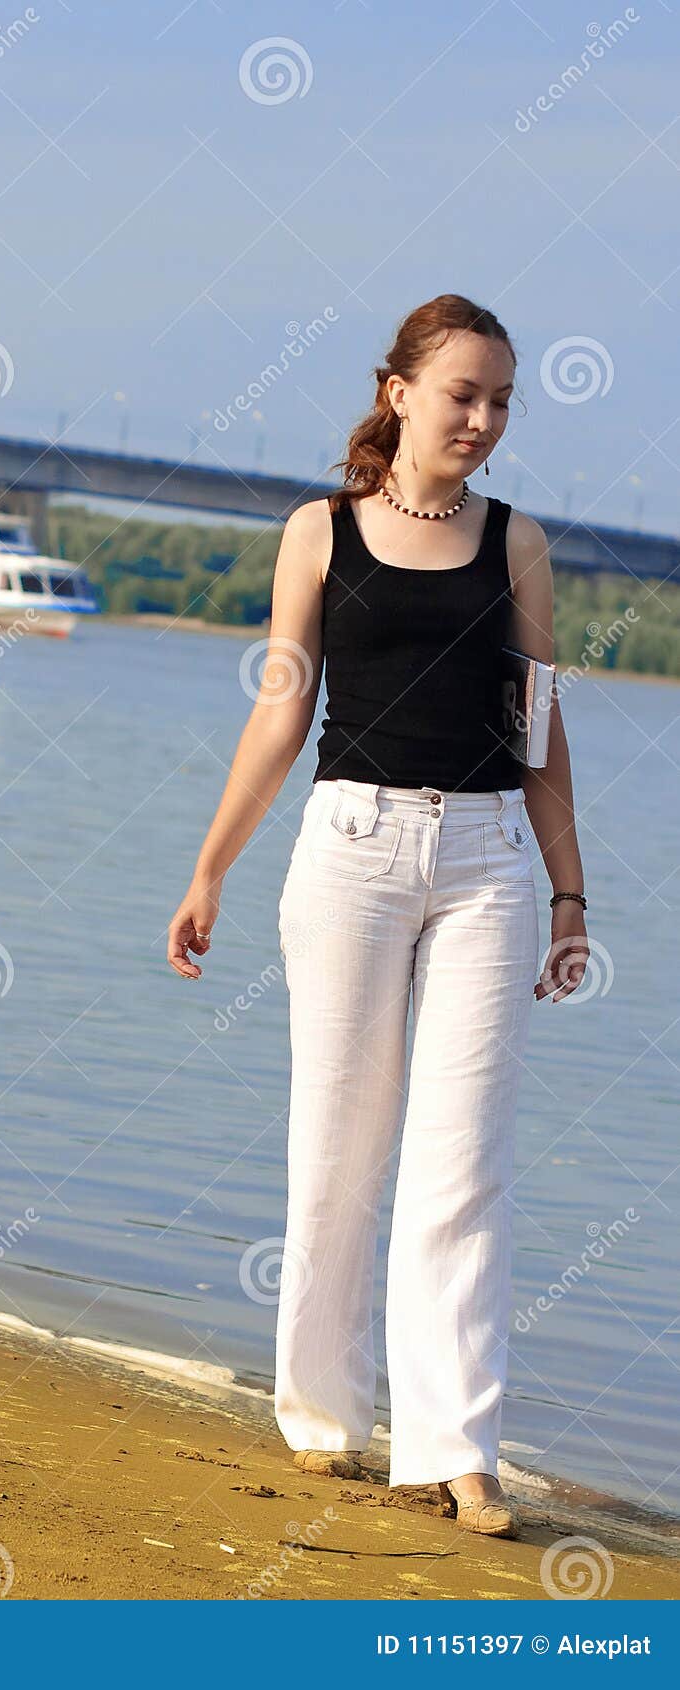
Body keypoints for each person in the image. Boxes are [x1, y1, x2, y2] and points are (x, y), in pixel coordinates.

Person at [166, 293, 589, 1540]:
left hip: (487, 863)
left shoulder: (516, 543)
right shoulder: (317, 532)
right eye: (465, 391)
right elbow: (280, 714)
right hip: (347, 849)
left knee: (463, 1164)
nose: (485, 418)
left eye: (504, 399)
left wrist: (571, 892)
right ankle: (322, 1414)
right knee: (339, 1145)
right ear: (399, 390)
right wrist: (211, 869)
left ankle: (458, 1448)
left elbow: (542, 732)